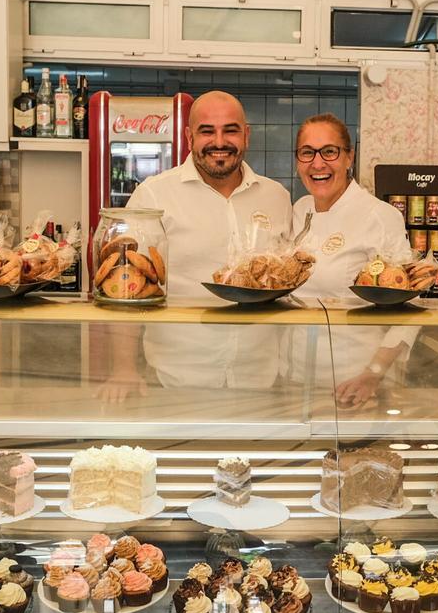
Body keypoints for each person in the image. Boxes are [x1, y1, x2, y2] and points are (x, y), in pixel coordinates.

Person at [98, 90, 292, 399]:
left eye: (230, 130)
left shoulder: (276, 197)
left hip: (260, 379)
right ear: (189, 137)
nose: (219, 142)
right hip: (175, 378)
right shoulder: (154, 196)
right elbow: (125, 286)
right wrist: (124, 369)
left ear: (246, 135)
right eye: (207, 131)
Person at [287, 113, 419, 407]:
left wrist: (372, 375)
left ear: (350, 157)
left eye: (330, 151)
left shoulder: (380, 216)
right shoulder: (300, 209)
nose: (317, 163)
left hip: (354, 384)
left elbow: (407, 313)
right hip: (295, 379)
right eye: (307, 153)